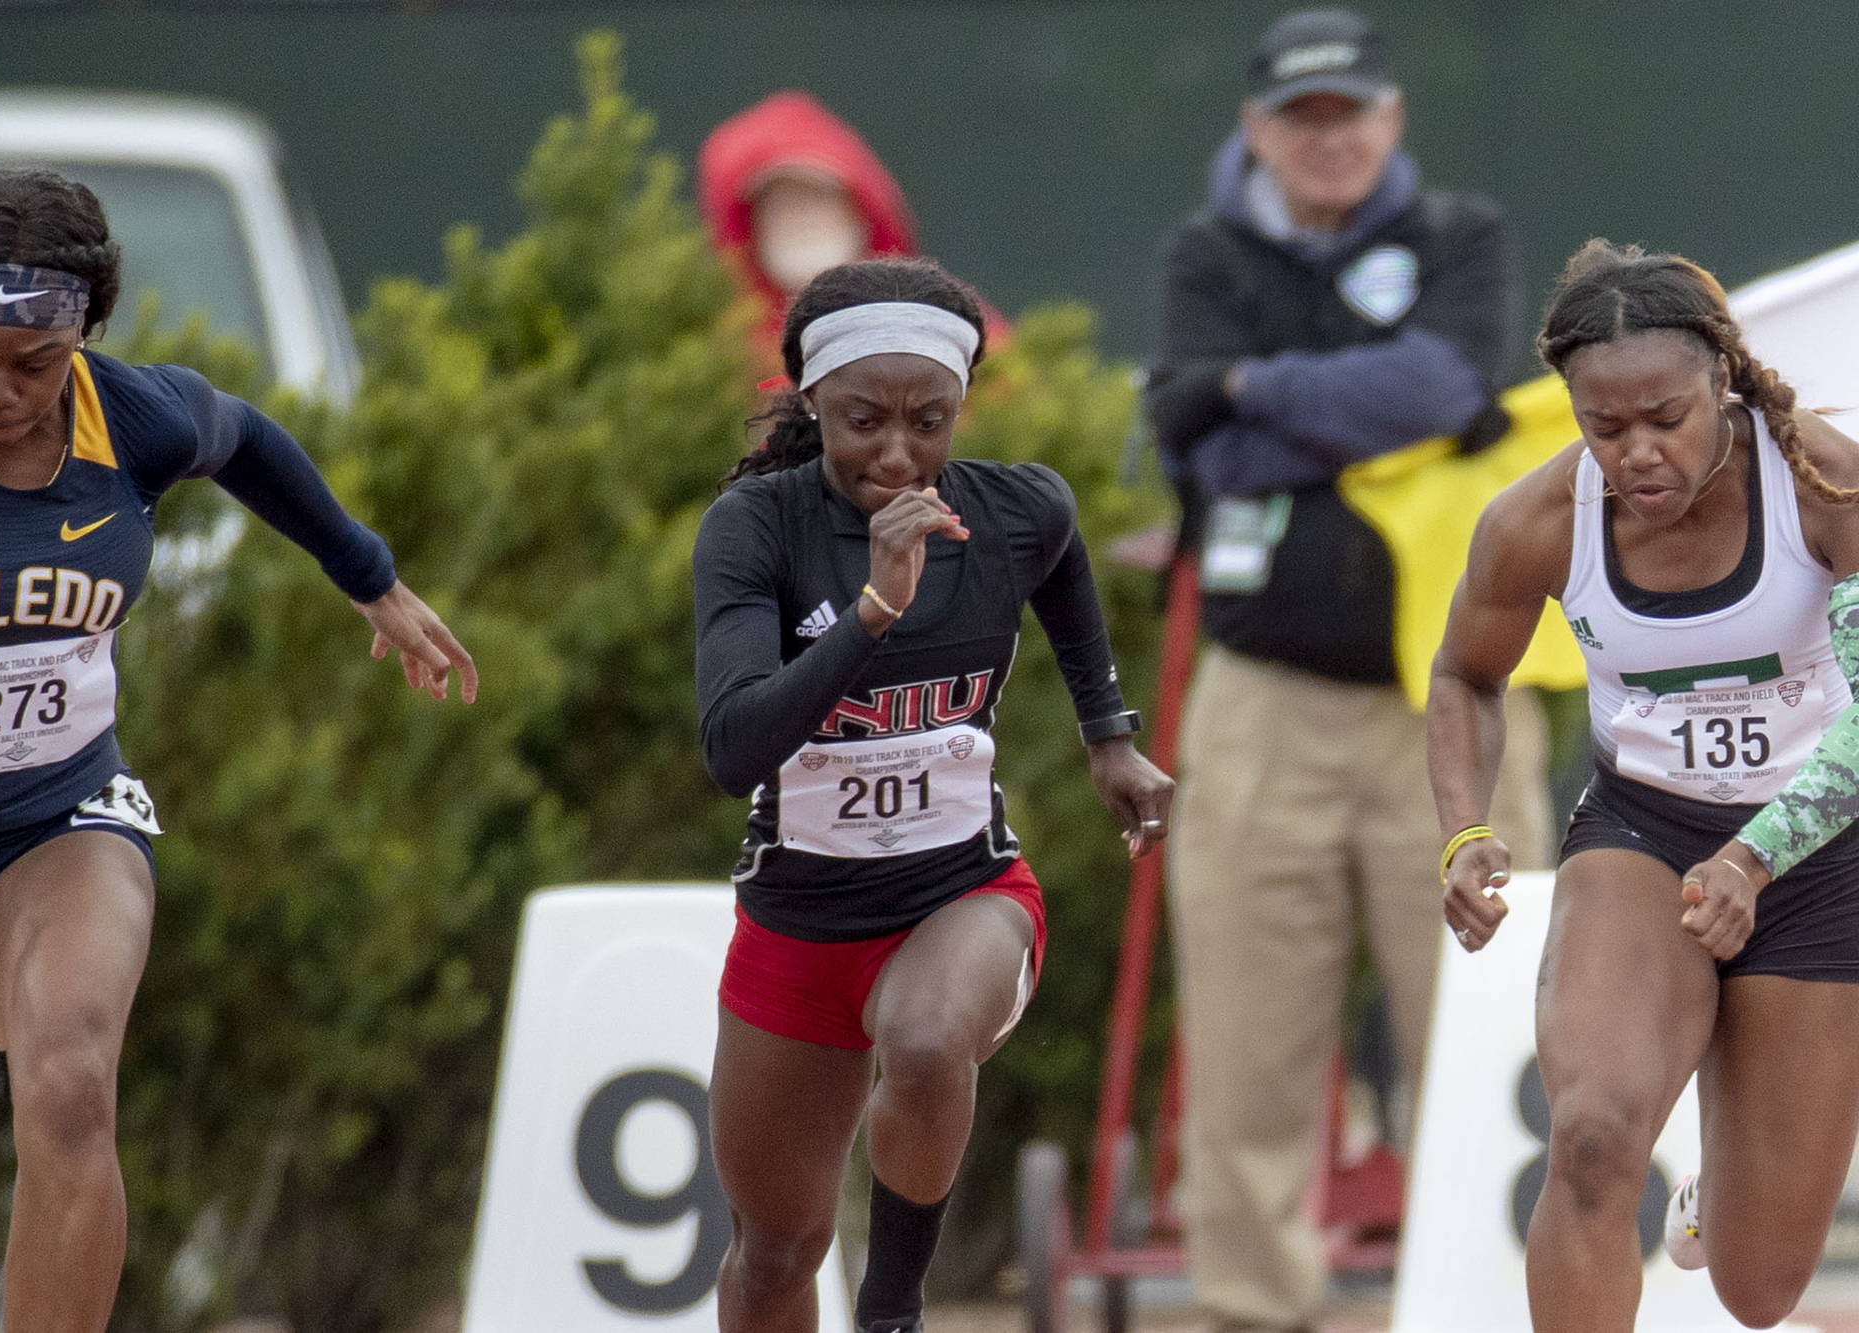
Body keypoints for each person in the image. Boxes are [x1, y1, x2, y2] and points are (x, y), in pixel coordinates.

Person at [0, 168, 475, 1333]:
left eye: (32, 366)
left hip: (61, 821)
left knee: (70, 1085)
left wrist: (369, 576)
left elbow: (247, 440)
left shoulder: (131, 415)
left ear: (85, 336)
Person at [1142, 9, 1555, 1330]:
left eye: (1352, 114)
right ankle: (1255, 1304)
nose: (1329, 140)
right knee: (1251, 1039)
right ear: (1257, 128)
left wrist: (1255, 389)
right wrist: (1364, 416)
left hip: (1459, 700)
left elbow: (1443, 383)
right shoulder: (1207, 253)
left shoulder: (1462, 237)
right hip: (1261, 702)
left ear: (1391, 121)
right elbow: (1186, 433)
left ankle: (1496, 1298)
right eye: (1300, 118)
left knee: (1489, 1022)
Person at [693, 256, 1173, 1333]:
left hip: (964, 892)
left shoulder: (1013, 509)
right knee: (773, 1252)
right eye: (863, 419)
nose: (897, 452)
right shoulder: (757, 531)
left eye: (930, 419)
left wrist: (1108, 736)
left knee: (920, 1040)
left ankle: (892, 1313)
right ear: (811, 402)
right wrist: (870, 612)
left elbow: (1059, 560)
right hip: (801, 919)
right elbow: (732, 748)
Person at [1429, 238, 1859, 1331]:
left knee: (1757, 1290)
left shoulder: (1823, 484)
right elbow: (1463, 675)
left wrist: (1754, 853)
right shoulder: (1535, 522)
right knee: (1587, 1138)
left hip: (1814, 853)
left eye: (1663, 417)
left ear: (1721, 378)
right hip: (1645, 833)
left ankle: (1727, 1177)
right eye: (1601, 427)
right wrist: (1462, 827)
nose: (1636, 455)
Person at [697, 90, 1008, 369]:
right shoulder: (717, 358)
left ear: (862, 212)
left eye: (818, 197)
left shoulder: (955, 337)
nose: (803, 219)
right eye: (781, 205)